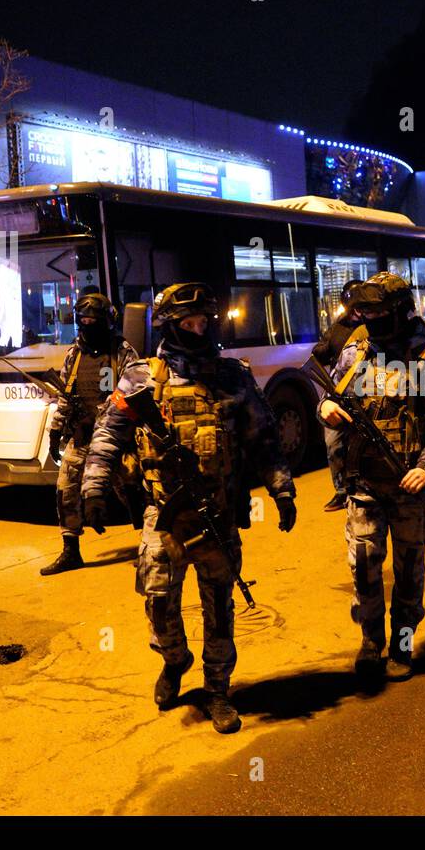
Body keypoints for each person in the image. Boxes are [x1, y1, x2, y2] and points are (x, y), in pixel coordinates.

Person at [81, 282, 297, 731]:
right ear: (170, 325)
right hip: (163, 518)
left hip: (217, 515)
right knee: (158, 604)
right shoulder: (143, 376)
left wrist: (282, 490)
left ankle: (218, 691)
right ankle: (174, 660)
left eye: (203, 322)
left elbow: (265, 438)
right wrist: (93, 489)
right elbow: (108, 435)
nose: (198, 330)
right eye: (188, 323)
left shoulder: (232, 376)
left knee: (220, 607)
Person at [318, 272, 425, 679]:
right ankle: (371, 639)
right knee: (364, 566)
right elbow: (331, 396)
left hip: (410, 488)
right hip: (364, 485)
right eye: (367, 314)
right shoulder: (357, 355)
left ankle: (402, 643)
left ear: (401, 311)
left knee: (408, 570)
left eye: (381, 314)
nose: (374, 321)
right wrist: (325, 410)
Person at [40, 292, 142, 575]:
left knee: (131, 490)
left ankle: (149, 544)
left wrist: (106, 412)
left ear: (107, 322)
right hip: (81, 436)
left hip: (116, 439)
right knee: (66, 491)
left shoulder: (122, 353)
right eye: (83, 320)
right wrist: (56, 430)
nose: (87, 325)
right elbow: (65, 394)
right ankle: (71, 551)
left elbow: (134, 395)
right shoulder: (75, 354)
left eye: (93, 320)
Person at [311, 279, 364, 512]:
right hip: (338, 394)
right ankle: (341, 490)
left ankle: (363, 486)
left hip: (365, 394)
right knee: (333, 444)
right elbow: (321, 353)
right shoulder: (337, 327)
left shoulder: (375, 327)